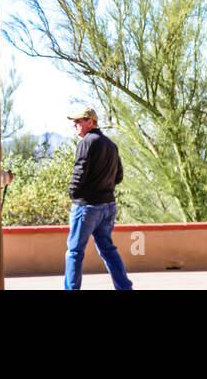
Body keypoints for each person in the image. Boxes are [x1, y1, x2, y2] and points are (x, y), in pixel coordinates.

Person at [64, 105, 133, 290]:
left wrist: (74, 194)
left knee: (74, 252)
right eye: (74, 122)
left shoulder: (86, 142)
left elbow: (79, 172)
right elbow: (118, 176)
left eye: (78, 121)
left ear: (90, 122)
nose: (75, 125)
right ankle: (125, 287)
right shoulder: (111, 145)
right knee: (108, 250)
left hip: (87, 207)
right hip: (108, 207)